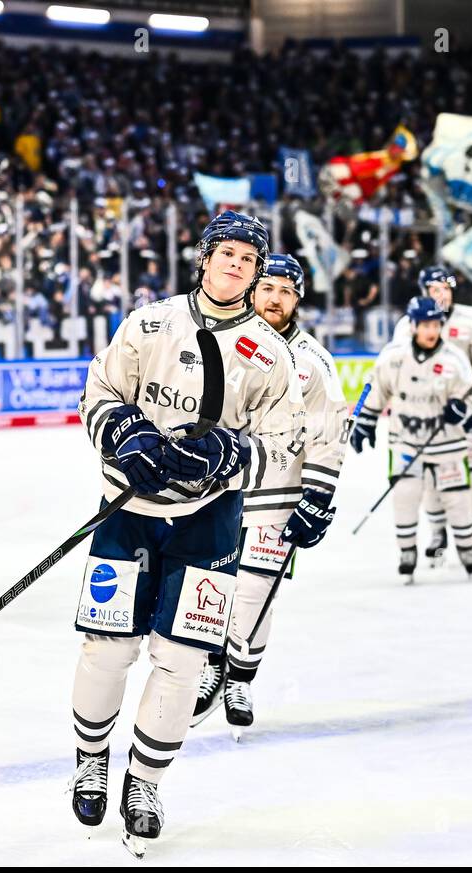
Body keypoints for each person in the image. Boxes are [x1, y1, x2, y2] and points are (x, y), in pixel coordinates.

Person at [68, 211, 305, 856]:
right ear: (204, 258)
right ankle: (92, 758)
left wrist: (233, 455)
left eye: (249, 260)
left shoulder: (272, 353)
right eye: (226, 253)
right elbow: (99, 388)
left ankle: (143, 781)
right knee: (104, 649)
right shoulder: (148, 323)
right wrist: (120, 432)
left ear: (257, 274)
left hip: (210, 526)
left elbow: (285, 443)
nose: (237, 266)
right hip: (128, 514)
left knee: (182, 663)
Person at [191, 254, 348, 733]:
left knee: (256, 591)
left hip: (277, 494)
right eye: (268, 288)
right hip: (217, 490)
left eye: (286, 290)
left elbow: (330, 430)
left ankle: (240, 676)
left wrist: (318, 495)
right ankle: (211, 663)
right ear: (252, 291)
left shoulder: (314, 362)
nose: (275, 298)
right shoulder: (224, 338)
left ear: (297, 299)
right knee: (211, 584)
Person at [356, 296, 472, 583]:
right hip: (406, 443)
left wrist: (461, 407)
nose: (430, 330)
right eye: (425, 324)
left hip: (447, 445)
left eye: (436, 324)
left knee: (458, 500)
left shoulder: (454, 360)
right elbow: (378, 389)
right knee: (404, 497)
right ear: (412, 325)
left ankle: (467, 550)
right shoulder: (394, 358)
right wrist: (367, 421)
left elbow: (471, 396)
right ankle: (407, 552)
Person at [389, 265, 472, 564]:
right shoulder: (407, 325)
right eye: (435, 289)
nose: (442, 295)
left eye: (446, 289)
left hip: (467, 413)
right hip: (425, 417)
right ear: (424, 292)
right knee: (429, 480)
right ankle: (439, 533)